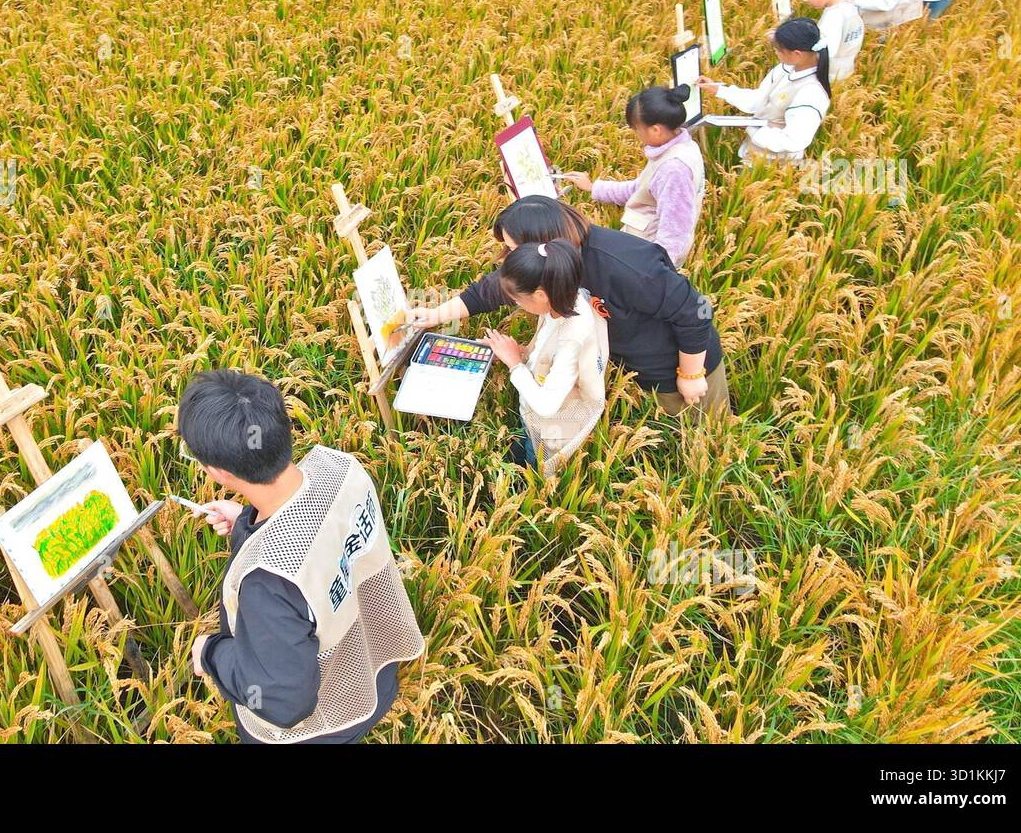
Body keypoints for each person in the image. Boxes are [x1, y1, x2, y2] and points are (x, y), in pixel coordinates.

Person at [180, 369, 424, 744]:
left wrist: (210, 652)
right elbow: (318, 531)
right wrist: (249, 523)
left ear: (218, 471)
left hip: (330, 725)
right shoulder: (339, 468)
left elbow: (282, 701)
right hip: (375, 663)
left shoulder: (267, 584)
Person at [407, 196, 729, 419]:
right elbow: (494, 289)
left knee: (701, 438)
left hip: (676, 367)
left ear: (542, 244)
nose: (507, 257)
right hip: (626, 364)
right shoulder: (553, 266)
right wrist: (436, 314)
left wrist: (691, 373)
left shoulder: (626, 266)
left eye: (512, 248)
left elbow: (696, 308)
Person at [481, 240, 609, 475]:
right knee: (522, 445)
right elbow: (545, 351)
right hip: (533, 416)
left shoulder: (572, 337)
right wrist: (512, 351)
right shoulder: (564, 301)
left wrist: (514, 364)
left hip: (552, 428)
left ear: (540, 295)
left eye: (518, 299)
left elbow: (546, 406)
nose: (516, 304)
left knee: (533, 466)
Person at [563, 85, 706, 267]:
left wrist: (656, 272)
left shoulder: (674, 169)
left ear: (655, 130)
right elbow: (641, 189)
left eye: (637, 130)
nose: (637, 136)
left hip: (644, 259)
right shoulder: (679, 148)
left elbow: (674, 232)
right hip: (641, 250)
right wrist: (593, 187)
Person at [697, 16, 832, 164]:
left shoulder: (811, 93)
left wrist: (752, 129)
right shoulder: (786, 69)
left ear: (796, 54)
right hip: (754, 155)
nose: (776, 53)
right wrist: (719, 90)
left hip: (775, 167)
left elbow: (793, 140)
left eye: (779, 50)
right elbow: (759, 99)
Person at [797, 0, 865, 82]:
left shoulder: (834, 17)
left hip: (830, 78)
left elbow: (824, 53)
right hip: (847, 71)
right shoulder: (850, 6)